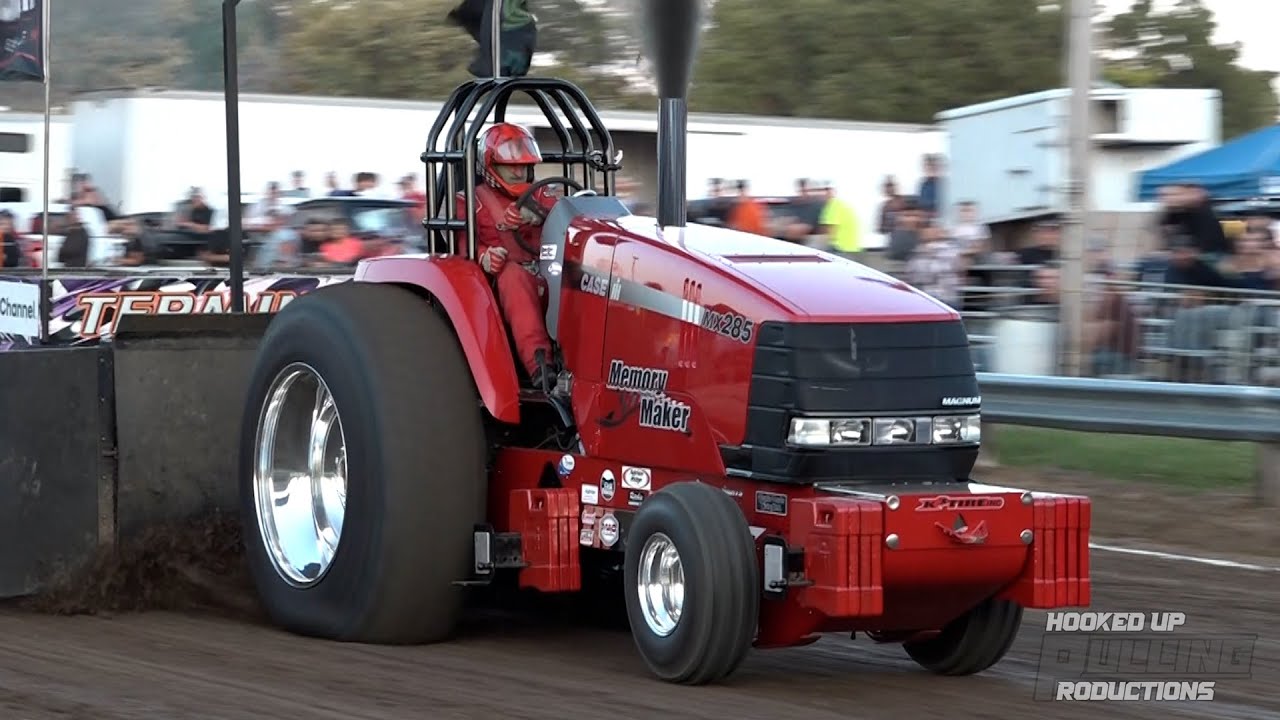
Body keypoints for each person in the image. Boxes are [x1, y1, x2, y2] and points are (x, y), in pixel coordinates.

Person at [456, 122, 562, 389]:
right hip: (499, 284)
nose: (518, 172)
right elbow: (463, 247)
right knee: (512, 276)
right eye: (510, 166)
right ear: (490, 166)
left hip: (550, 273)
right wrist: (485, 256)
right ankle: (540, 364)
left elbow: (567, 220)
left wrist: (537, 214)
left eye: (524, 165)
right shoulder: (470, 201)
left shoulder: (543, 193)